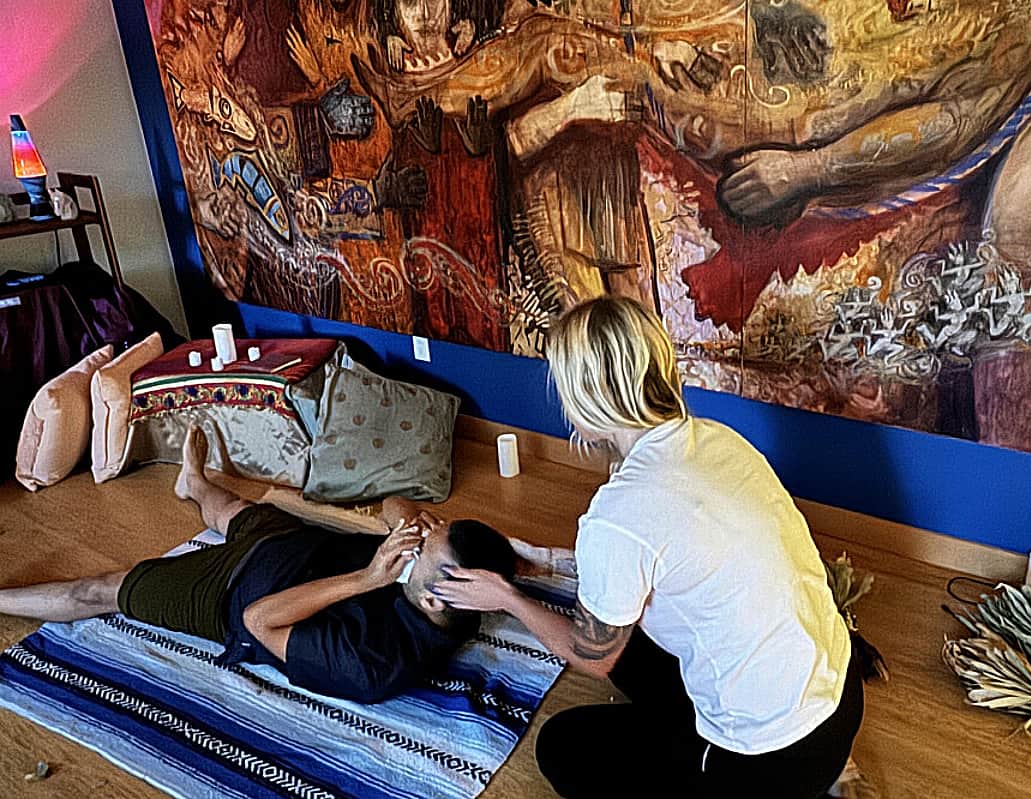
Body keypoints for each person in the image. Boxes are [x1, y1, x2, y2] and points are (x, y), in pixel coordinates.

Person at [432, 295, 864, 797]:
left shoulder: (618, 516)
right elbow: (668, 554)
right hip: (838, 690)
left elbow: (591, 656)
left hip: (772, 757)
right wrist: (547, 565)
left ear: (587, 395)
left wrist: (506, 598)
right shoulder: (718, 440)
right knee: (633, 644)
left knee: (561, 747)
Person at [0, 428, 516, 704]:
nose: (415, 547)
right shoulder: (449, 591)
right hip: (292, 544)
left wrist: (367, 577)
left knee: (100, 590)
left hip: (227, 593)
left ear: (430, 599)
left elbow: (258, 620)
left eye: (423, 549)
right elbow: (395, 506)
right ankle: (194, 484)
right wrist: (412, 525)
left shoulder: (371, 662)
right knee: (233, 512)